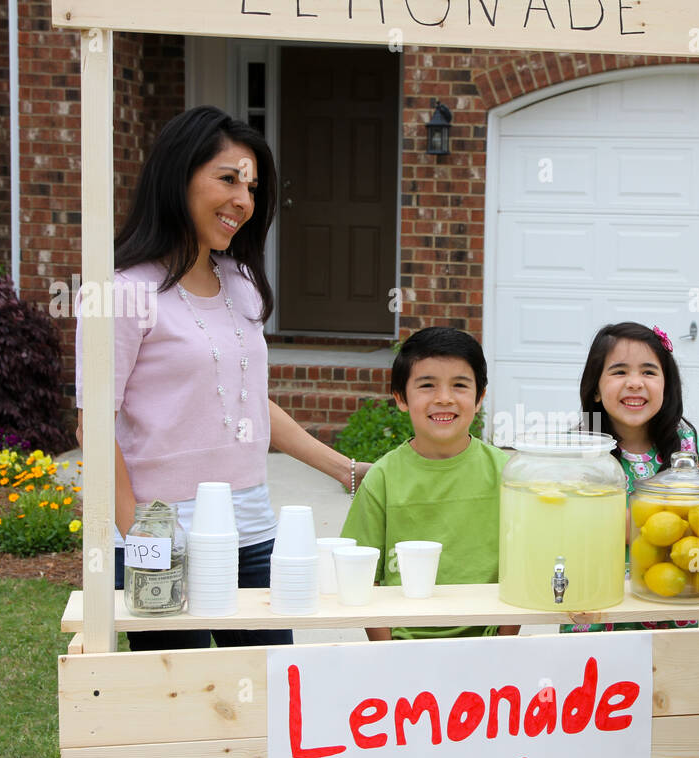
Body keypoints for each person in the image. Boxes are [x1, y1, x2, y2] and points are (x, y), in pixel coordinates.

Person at [75, 106, 365, 652]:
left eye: (252, 187)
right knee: (176, 703)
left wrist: (346, 471)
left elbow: (251, 404)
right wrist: (140, 535)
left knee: (269, 693)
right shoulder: (120, 292)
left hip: (251, 531)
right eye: (228, 179)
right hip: (159, 534)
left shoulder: (241, 284)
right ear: (178, 177)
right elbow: (94, 425)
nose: (244, 201)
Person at [339, 326, 518, 641]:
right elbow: (362, 577)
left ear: (480, 398)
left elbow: (523, 567)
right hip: (403, 642)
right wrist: (388, 650)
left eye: (460, 385)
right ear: (401, 398)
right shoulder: (382, 478)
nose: (444, 398)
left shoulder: (507, 474)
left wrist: (502, 642)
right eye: (427, 385)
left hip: (488, 641)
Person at [564, 322, 699, 633]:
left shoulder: (683, 440)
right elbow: (582, 528)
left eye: (648, 371)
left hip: (673, 602)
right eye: (619, 372)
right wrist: (664, 523)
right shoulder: (582, 448)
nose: (634, 383)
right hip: (600, 608)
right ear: (596, 390)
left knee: (672, 678)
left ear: (667, 385)